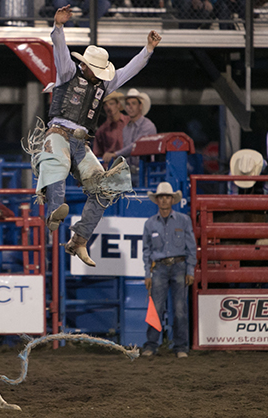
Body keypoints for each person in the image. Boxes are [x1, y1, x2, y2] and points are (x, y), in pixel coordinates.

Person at [28, 4, 160, 266]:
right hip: (58, 133)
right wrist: (59, 27)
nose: (98, 76)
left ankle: (79, 240)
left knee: (106, 187)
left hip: (81, 141)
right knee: (58, 162)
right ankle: (54, 210)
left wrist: (148, 50)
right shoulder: (68, 73)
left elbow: (130, 70)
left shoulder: (105, 84)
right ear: (85, 65)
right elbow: (60, 53)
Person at [141, 182, 196, 359]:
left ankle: (180, 346)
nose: (164, 200)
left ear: (172, 200)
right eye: (161, 197)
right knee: (156, 308)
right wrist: (147, 274)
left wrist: (190, 270)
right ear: (157, 200)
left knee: (180, 309)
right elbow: (146, 251)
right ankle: (152, 345)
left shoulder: (183, 220)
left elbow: (191, 247)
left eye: (167, 197)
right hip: (159, 268)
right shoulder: (150, 224)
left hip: (179, 267)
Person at [115, 88, 157, 179]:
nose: (130, 107)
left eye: (133, 103)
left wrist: (115, 154)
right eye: (128, 104)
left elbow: (137, 146)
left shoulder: (148, 126)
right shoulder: (126, 129)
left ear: (140, 106)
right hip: (128, 174)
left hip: (145, 173)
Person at [92, 91, 130, 167]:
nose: (108, 107)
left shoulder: (129, 122)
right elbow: (97, 154)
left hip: (130, 164)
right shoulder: (101, 130)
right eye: (105, 105)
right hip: (111, 167)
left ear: (118, 105)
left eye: (111, 104)